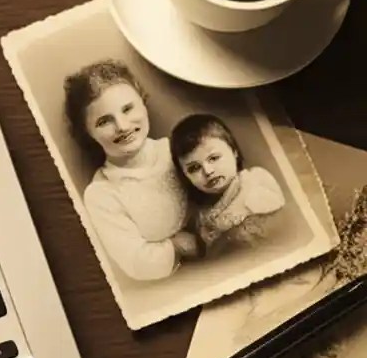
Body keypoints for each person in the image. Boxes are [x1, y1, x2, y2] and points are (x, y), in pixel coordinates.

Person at [64, 60, 200, 282]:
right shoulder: (102, 193)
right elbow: (138, 264)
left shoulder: (178, 149)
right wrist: (179, 246)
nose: (123, 126)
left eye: (128, 109)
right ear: (87, 133)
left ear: (143, 102)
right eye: (104, 121)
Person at [171, 113, 286, 251]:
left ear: (234, 151)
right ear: (185, 175)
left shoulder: (253, 180)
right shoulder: (200, 215)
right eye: (194, 168)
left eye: (214, 158)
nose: (208, 171)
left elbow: (278, 221)